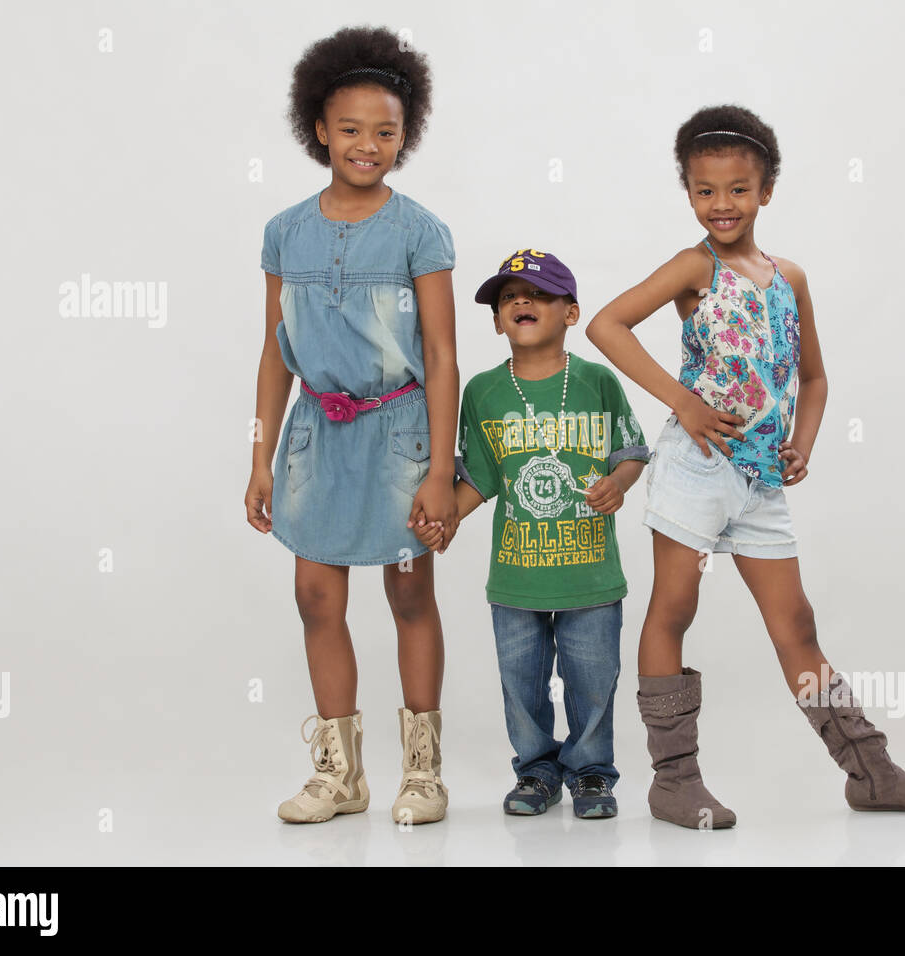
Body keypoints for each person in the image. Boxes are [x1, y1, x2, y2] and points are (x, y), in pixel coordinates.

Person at [585, 105, 905, 829]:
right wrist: (684, 400)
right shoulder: (697, 267)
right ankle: (674, 780)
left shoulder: (789, 277)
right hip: (695, 469)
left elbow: (814, 379)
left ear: (766, 191)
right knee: (675, 609)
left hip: (759, 481)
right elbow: (607, 323)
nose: (721, 205)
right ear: (689, 193)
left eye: (736, 189)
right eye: (704, 190)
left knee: (796, 622)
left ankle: (870, 772)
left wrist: (804, 443)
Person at [244, 26, 458, 826]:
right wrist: (262, 456)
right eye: (351, 129)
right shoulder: (285, 232)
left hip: (400, 433)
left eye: (387, 132)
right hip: (314, 439)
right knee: (313, 595)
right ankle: (340, 773)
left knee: (409, 593)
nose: (368, 145)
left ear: (406, 136)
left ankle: (423, 768)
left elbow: (440, 356)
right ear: (319, 131)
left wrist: (439, 467)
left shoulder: (418, 232)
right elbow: (275, 356)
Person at [414, 249, 650, 819]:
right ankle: (537, 771)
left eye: (540, 293)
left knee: (593, 681)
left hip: (590, 574)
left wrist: (618, 484)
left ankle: (591, 774)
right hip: (517, 575)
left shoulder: (597, 381)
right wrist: (446, 520)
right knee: (521, 683)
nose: (522, 301)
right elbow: (482, 477)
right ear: (497, 319)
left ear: (571, 312)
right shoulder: (483, 392)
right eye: (508, 297)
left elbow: (632, 452)